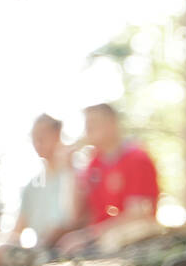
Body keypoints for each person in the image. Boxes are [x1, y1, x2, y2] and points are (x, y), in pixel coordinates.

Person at [54, 103, 161, 256]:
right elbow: (75, 216)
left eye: (94, 123)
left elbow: (138, 214)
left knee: (108, 242)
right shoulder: (93, 164)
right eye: (87, 124)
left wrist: (89, 235)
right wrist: (69, 171)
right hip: (101, 237)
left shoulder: (137, 158)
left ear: (112, 124)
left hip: (130, 237)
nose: (88, 129)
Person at [0, 114, 79, 266]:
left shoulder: (75, 174)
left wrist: (68, 170)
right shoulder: (32, 186)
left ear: (57, 135)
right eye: (34, 137)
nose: (37, 142)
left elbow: (71, 219)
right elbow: (17, 231)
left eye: (42, 135)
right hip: (38, 251)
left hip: (62, 253)